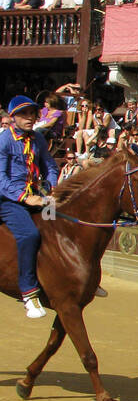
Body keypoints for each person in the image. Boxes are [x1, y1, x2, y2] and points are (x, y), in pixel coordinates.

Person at [0, 96, 59, 317]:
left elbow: (50, 167)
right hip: (8, 200)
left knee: (58, 224)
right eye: (24, 114)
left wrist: (49, 187)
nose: (30, 118)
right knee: (29, 235)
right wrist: (25, 198)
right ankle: (28, 292)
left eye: (33, 113)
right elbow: (1, 179)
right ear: (12, 117)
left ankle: (69, 276)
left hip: (38, 196)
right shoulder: (4, 140)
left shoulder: (38, 139)